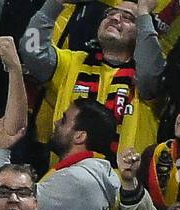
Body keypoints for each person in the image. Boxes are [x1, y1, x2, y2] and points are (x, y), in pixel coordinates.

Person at [23, 0, 165, 158]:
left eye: (128, 18)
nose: (115, 18)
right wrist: (56, 2)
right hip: (64, 173)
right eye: (110, 13)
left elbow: (151, 72)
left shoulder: (144, 77)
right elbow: (31, 50)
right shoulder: (72, 62)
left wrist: (144, 14)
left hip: (122, 179)